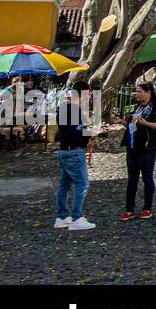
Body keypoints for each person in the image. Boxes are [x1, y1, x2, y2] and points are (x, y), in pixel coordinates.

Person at [119, 82, 156, 221]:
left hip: (148, 147)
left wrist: (146, 123)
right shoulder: (137, 107)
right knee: (131, 180)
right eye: (136, 91)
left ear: (148, 92)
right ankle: (129, 209)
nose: (137, 94)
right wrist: (120, 122)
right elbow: (133, 125)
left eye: (140, 91)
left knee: (147, 178)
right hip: (133, 147)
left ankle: (147, 208)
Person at [53, 82, 95, 230]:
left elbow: (64, 132)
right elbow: (72, 132)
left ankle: (62, 216)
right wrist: (90, 132)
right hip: (74, 152)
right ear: (83, 94)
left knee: (64, 185)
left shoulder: (64, 108)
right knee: (82, 183)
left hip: (64, 151)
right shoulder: (74, 109)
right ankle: (77, 217)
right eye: (88, 94)